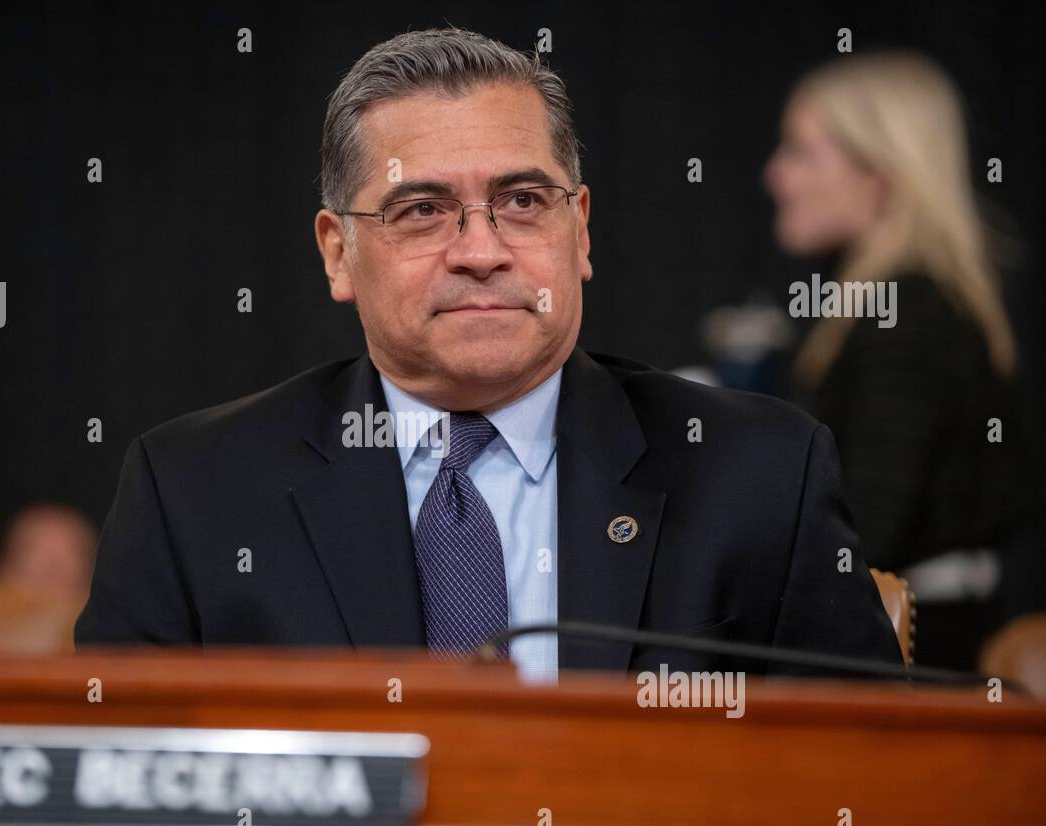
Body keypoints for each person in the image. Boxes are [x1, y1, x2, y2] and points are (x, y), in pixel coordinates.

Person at [76, 27, 901, 681]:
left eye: (522, 200)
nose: (481, 251)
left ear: (580, 229)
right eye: (423, 210)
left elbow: (873, 789)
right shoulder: (193, 492)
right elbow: (114, 803)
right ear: (337, 254)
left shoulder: (758, 473)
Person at [764, 51, 1046, 671]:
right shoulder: (906, 303)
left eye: (802, 151)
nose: (776, 175)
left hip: (917, 663)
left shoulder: (906, 316)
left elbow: (860, 533)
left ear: (881, 172)